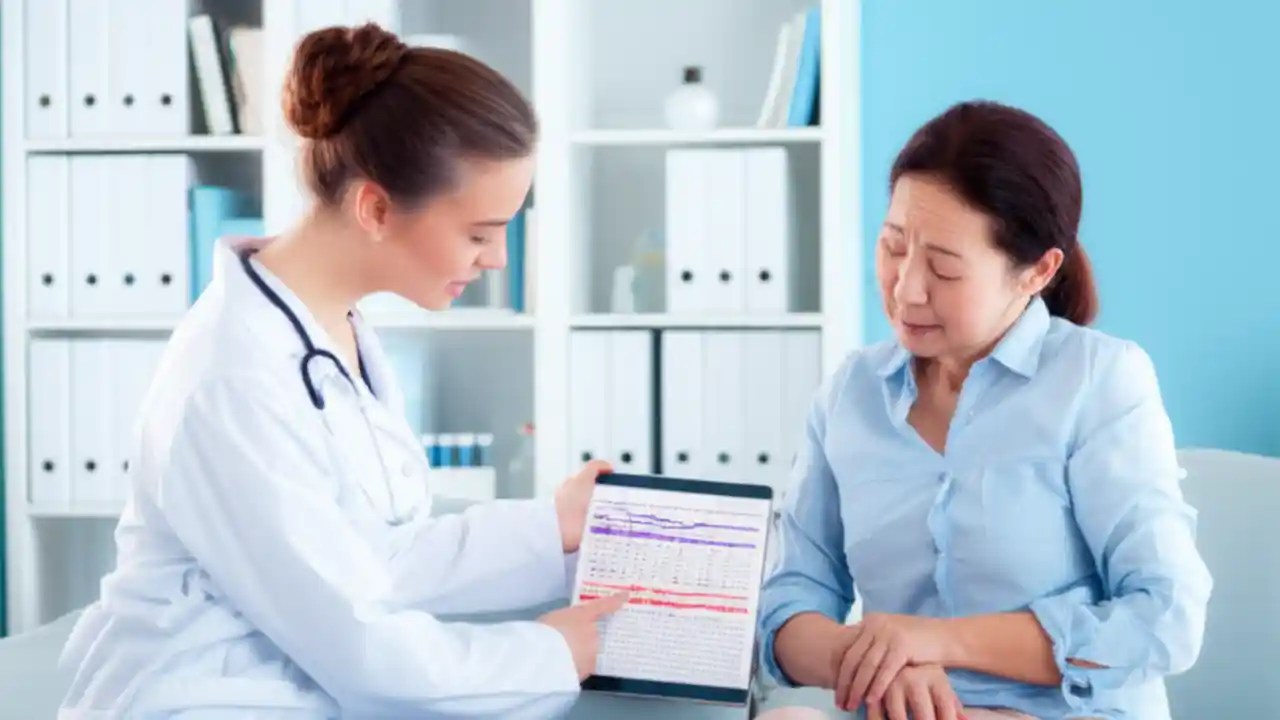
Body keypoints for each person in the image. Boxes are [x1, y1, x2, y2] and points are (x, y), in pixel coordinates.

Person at [57, 23, 627, 719]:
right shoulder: (234, 379)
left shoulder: (328, 326)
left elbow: (366, 558)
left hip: (296, 678)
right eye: (479, 233)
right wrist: (549, 653)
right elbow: (360, 646)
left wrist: (550, 525)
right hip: (209, 696)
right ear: (376, 209)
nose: (498, 260)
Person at [756, 100, 1212, 720]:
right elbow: (787, 605)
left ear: (1037, 272)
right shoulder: (850, 394)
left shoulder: (1098, 382)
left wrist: (934, 643)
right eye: (893, 247)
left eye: (944, 269)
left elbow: (1165, 617)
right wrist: (883, 666)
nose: (906, 288)